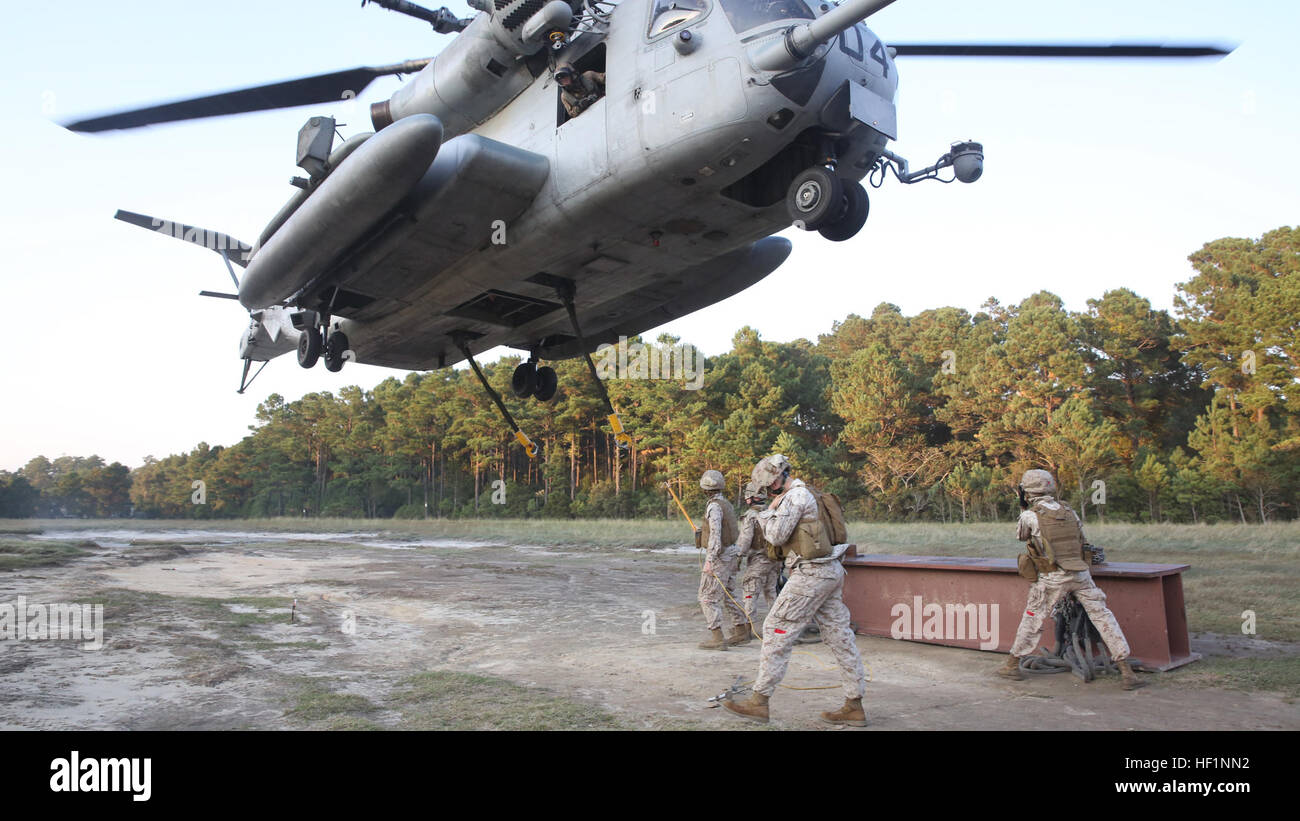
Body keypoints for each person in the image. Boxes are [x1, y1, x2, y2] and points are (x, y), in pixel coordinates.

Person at [723, 455, 867, 726]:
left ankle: (759, 702)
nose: (767, 491)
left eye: (767, 486)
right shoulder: (808, 492)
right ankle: (854, 703)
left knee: (776, 629)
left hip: (811, 574)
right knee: (839, 636)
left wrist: (763, 512)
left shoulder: (795, 497)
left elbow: (776, 536)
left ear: (777, 478)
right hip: (829, 570)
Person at [997, 469, 1145, 690]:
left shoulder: (1029, 515)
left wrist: (1023, 507)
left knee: (1033, 617)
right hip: (1081, 574)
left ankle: (1012, 664)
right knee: (1104, 617)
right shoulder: (1069, 511)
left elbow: (1022, 536)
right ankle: (1126, 671)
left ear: (1026, 491)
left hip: (1053, 577)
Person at [696, 469, 748, 650]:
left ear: (705, 488)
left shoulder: (714, 507)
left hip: (721, 557)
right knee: (729, 594)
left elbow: (716, 537)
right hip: (731, 554)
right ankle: (742, 629)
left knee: (707, 597)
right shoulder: (726, 504)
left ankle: (717, 637)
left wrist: (709, 561)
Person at [737, 482, 781, 625]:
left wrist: (738, 555)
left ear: (750, 497)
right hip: (775, 560)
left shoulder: (751, 516)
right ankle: (776, 625)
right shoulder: (773, 513)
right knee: (771, 592)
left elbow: (745, 540)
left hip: (758, 560)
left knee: (750, 592)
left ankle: (749, 626)